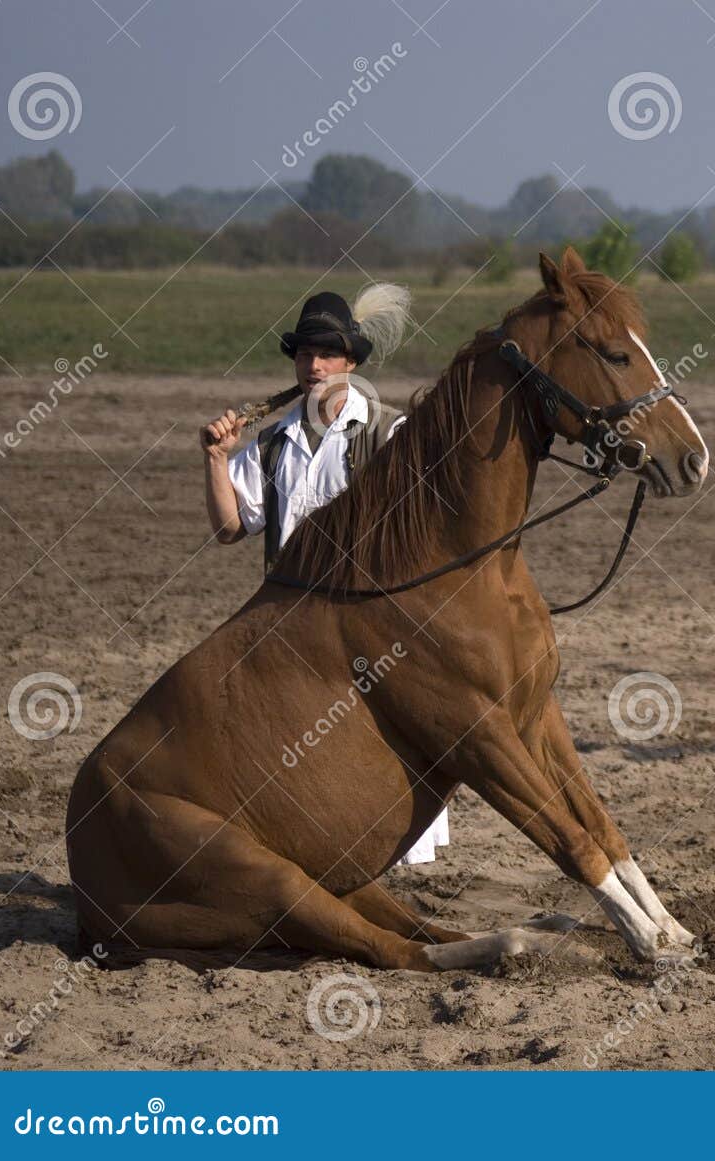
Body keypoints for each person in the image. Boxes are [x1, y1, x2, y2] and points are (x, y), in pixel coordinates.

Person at [199, 285, 449, 865]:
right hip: (292, 625)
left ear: (350, 363)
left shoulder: (389, 433)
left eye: (327, 354)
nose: (313, 366)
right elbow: (231, 527)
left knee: (383, 738)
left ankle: (387, 856)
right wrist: (216, 459)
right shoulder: (271, 442)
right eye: (306, 354)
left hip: (369, 624)